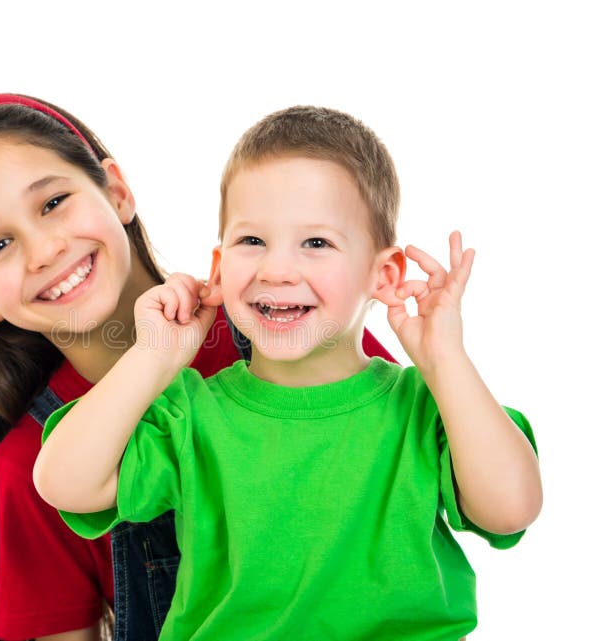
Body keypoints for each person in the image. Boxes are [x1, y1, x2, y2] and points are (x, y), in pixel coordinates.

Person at [0, 95, 395, 641]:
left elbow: (430, 500)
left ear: (117, 191)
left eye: (54, 202)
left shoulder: (292, 325)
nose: (42, 250)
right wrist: (154, 357)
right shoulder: (33, 461)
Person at [34, 106, 543, 641]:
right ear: (219, 268)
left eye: (316, 243)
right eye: (252, 242)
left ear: (383, 273)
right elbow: (64, 483)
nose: (277, 270)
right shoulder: (190, 412)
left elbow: (511, 509)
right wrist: (153, 357)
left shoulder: (426, 405)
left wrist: (447, 360)